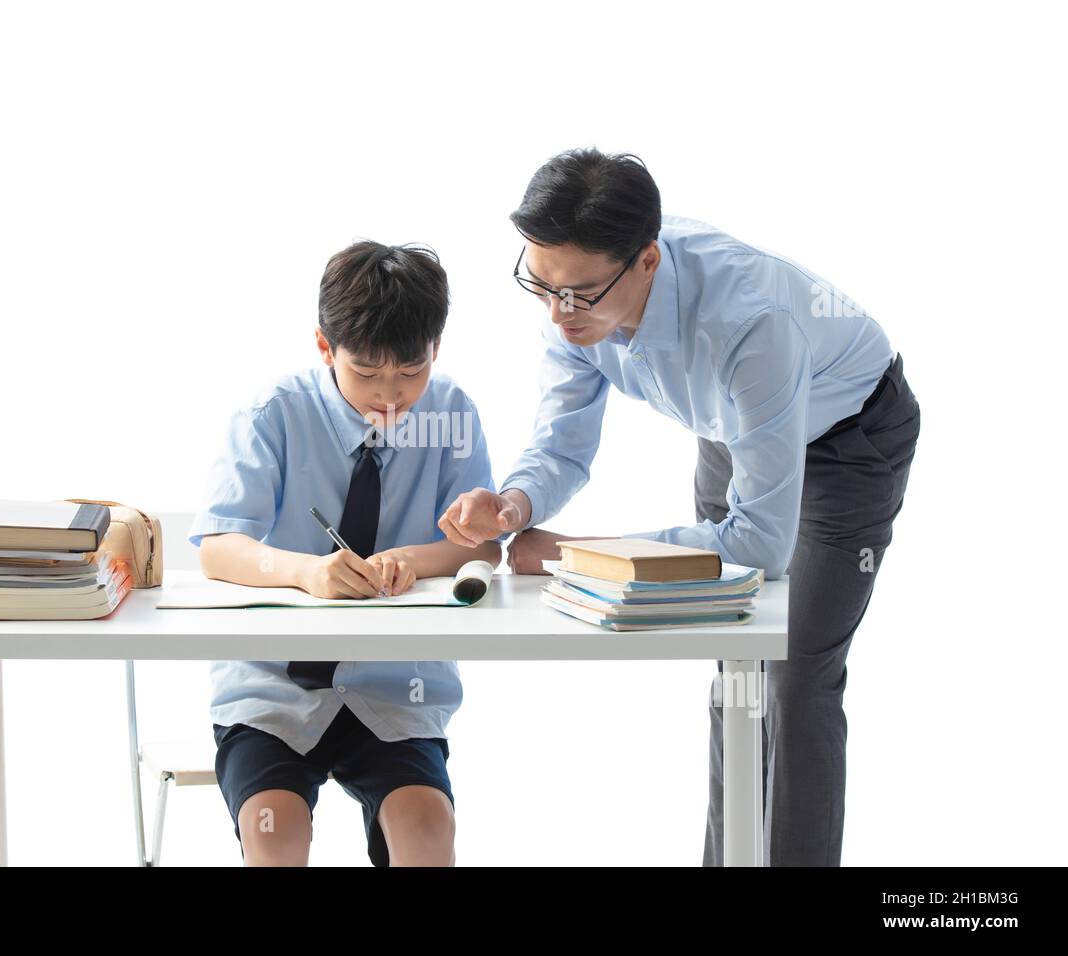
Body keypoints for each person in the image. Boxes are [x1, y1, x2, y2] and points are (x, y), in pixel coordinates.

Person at [439, 148, 920, 866]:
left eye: (578, 295)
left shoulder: (752, 323)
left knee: (792, 680)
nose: (558, 314)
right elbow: (564, 447)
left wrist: (577, 555)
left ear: (648, 263)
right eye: (540, 286)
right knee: (737, 673)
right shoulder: (572, 298)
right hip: (734, 430)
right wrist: (512, 505)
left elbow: (757, 543)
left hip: (846, 443)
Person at [191, 240, 502, 866]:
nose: (390, 394)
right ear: (324, 346)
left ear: (436, 349)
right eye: (366, 373)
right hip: (272, 686)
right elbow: (219, 549)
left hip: (398, 686)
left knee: (426, 828)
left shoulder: (452, 413)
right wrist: (308, 573)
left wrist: (413, 559)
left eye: (412, 371)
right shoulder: (272, 414)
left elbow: (481, 550)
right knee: (274, 833)